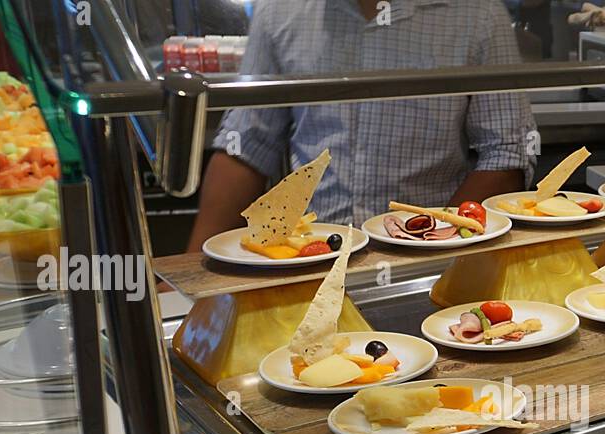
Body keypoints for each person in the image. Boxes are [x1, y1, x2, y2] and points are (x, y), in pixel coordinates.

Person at [187, 0, 535, 249]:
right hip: (311, 253)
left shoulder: (478, 15)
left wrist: (432, 239)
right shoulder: (280, 11)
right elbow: (246, 147)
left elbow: (505, 155)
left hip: (427, 260)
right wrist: (194, 276)